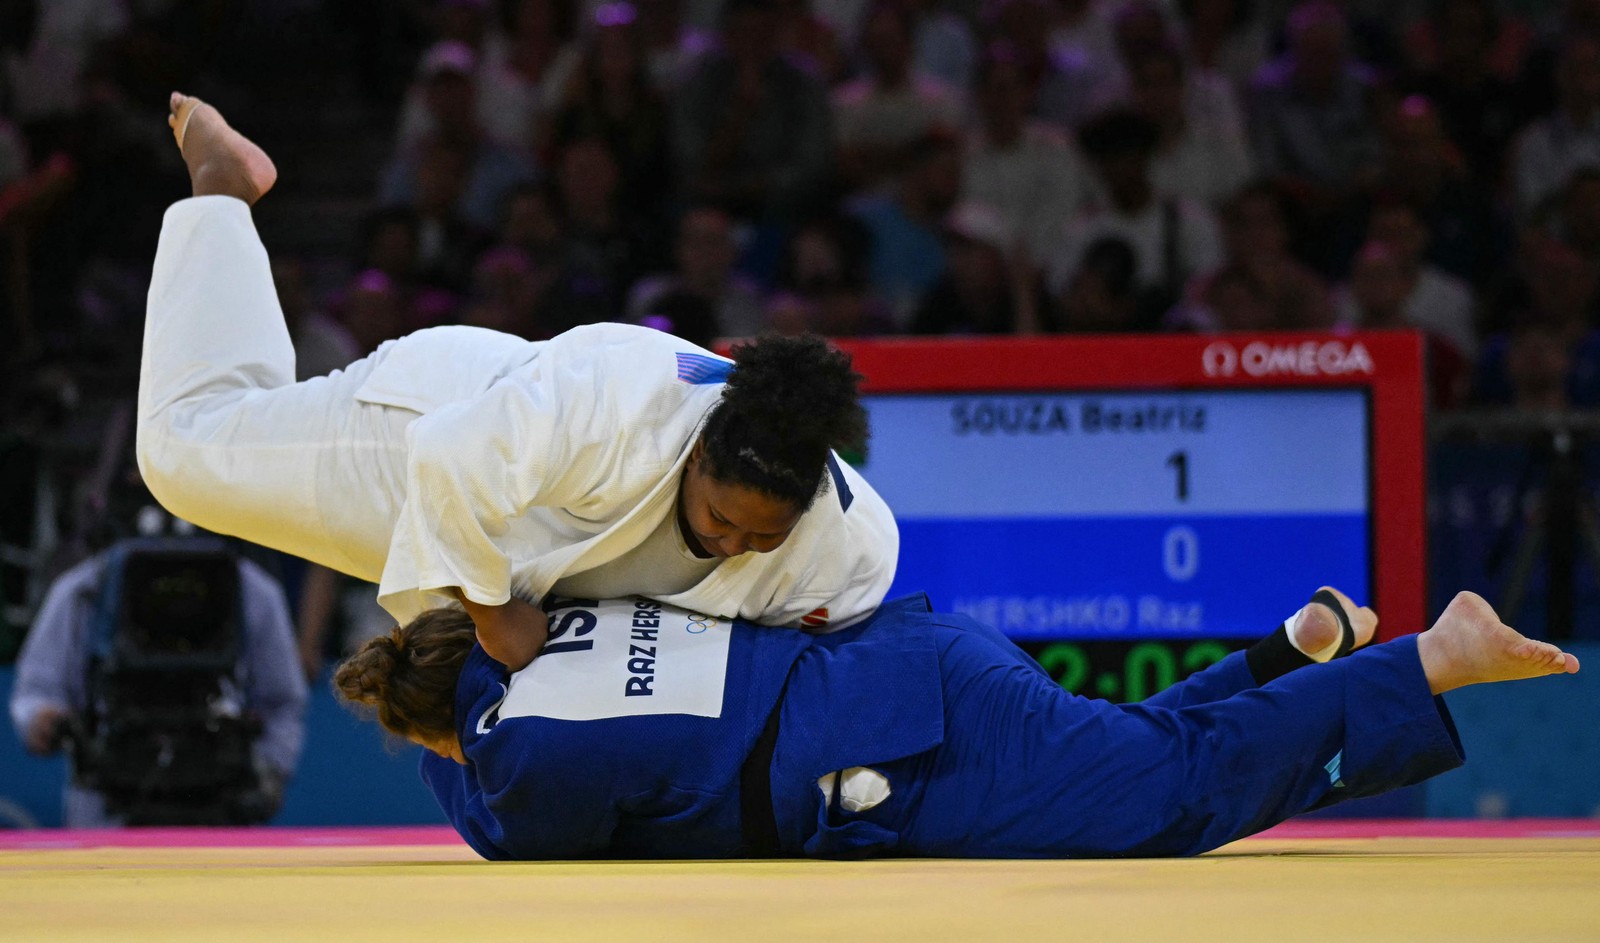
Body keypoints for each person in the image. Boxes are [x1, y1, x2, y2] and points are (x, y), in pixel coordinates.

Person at [137, 94, 897, 674]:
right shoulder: (619, 408)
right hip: (421, 432)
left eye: (764, 536)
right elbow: (448, 457)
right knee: (180, 451)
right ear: (698, 454)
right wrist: (496, 616)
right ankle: (222, 192)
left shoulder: (851, 544)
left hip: (535, 515)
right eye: (723, 519)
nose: (735, 546)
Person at [333, 587, 1579, 861]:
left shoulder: (513, 750)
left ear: (442, 724)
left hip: (899, 754)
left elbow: (513, 832)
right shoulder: (571, 613)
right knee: (1117, 754)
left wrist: (452, 750)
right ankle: (1284, 650)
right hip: (902, 667)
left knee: (1168, 793)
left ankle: (1431, 656)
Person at [10, 522, 308, 828]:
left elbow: (284, 702)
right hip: (105, 809)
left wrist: (271, 770)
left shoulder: (252, 590)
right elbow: (36, 691)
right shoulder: (85, 588)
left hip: (221, 806)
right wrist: (41, 720)